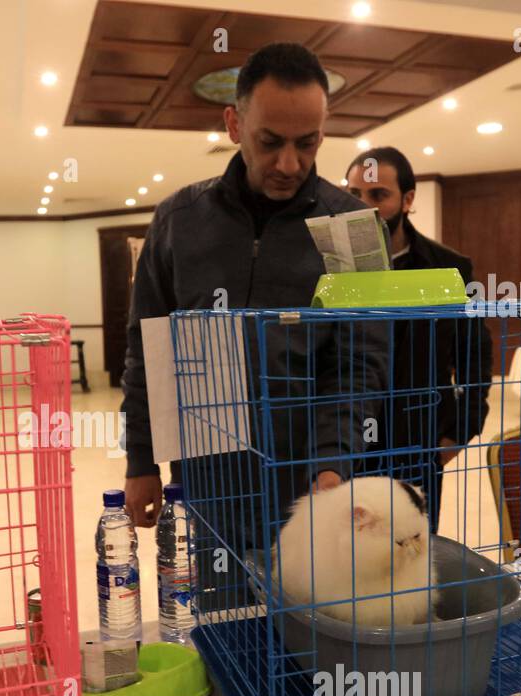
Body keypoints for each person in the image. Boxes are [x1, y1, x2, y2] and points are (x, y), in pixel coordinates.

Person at [120, 42, 389, 606]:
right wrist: (141, 460)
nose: (290, 163)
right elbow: (147, 351)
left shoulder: (353, 229)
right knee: (226, 626)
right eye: (271, 142)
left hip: (311, 477)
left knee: (315, 629)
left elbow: (361, 363)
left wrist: (333, 465)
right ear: (234, 123)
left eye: (308, 142)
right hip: (210, 477)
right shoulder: (178, 222)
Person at [345, 145, 492, 532]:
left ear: (407, 200)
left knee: (412, 556)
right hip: (346, 442)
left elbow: (475, 353)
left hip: (419, 441)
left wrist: (458, 433)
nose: (364, 207)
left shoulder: (451, 267)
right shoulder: (330, 270)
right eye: (354, 195)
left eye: (378, 195)